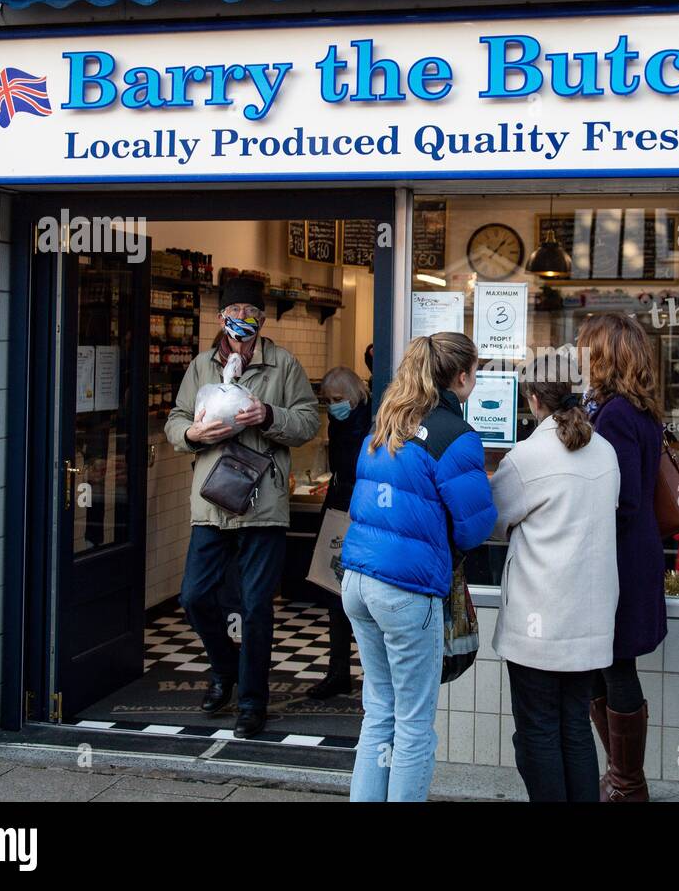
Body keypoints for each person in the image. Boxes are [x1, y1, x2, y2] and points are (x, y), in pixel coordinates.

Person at [339, 332, 497, 801]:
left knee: (380, 713)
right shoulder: (456, 435)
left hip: (358, 582)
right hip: (405, 591)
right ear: (463, 377)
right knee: (413, 724)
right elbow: (473, 529)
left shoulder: (386, 422)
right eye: (476, 372)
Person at [165, 277, 321, 739]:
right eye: (234, 310)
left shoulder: (284, 364)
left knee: (256, 606)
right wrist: (191, 435)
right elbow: (176, 419)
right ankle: (224, 667)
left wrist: (269, 415)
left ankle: (252, 701)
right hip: (212, 501)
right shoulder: (200, 366)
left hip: (263, 501)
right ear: (220, 317)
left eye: (251, 312)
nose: (243, 319)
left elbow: (309, 421)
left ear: (262, 319)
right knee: (194, 596)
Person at [489, 363, 621, 802]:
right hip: (590, 618)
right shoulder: (604, 451)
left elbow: (495, 519)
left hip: (538, 620)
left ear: (533, 401)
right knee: (575, 729)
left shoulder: (526, 458)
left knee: (538, 731)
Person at [576, 313, 667, 802]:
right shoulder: (640, 409)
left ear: (605, 356)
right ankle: (620, 777)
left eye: (586, 348)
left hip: (619, 560)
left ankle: (627, 784)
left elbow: (625, 498)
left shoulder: (614, 415)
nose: (579, 357)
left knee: (614, 665)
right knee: (605, 664)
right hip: (632, 554)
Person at [304, 366, 372, 701]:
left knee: (364, 597)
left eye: (338, 399)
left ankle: (369, 676)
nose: (333, 406)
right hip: (337, 508)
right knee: (336, 595)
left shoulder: (371, 420)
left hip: (360, 511)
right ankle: (338, 672)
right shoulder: (340, 421)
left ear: (355, 395)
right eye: (327, 401)